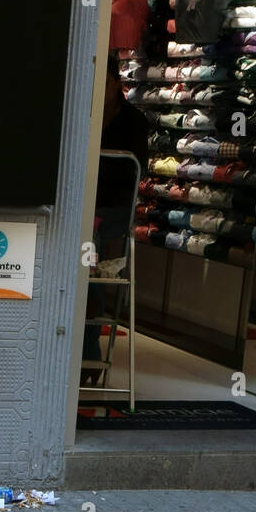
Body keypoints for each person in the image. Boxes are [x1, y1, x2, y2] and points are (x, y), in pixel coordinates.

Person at [83, 51, 148, 382]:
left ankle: (90, 352)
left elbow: (136, 170)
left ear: (114, 81)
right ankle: (87, 354)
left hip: (111, 211)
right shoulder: (84, 113)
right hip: (85, 208)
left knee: (93, 272)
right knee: (87, 272)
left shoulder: (134, 121)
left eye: (104, 80)